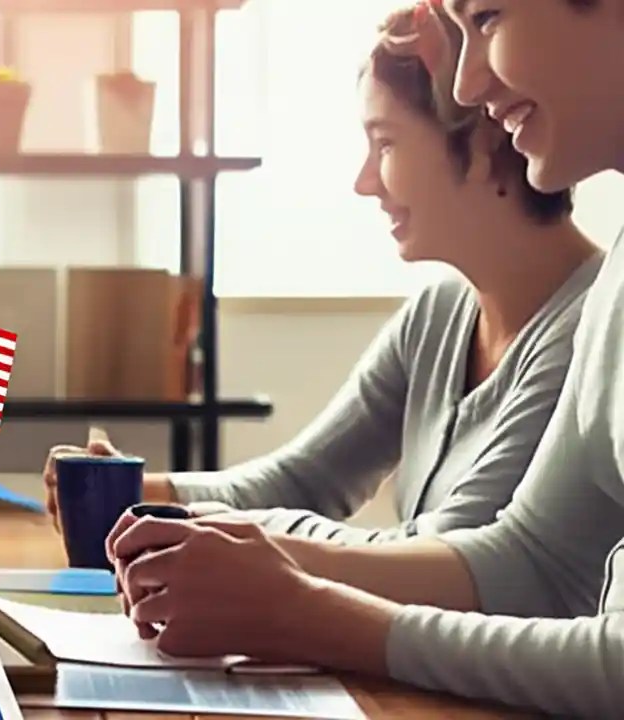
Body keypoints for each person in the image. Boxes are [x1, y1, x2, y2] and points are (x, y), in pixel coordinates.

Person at [106, 1, 624, 717]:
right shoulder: (600, 287)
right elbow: (533, 562)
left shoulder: (578, 312)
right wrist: (186, 522)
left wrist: (300, 601)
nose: (471, 86)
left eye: (490, 18)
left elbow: (529, 594)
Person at [45, 5, 602, 546]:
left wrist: (211, 529)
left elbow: (447, 555)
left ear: (483, 140)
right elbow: (304, 480)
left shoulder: (587, 328)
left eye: (385, 143)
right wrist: (139, 495)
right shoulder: (437, 318)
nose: (365, 181)